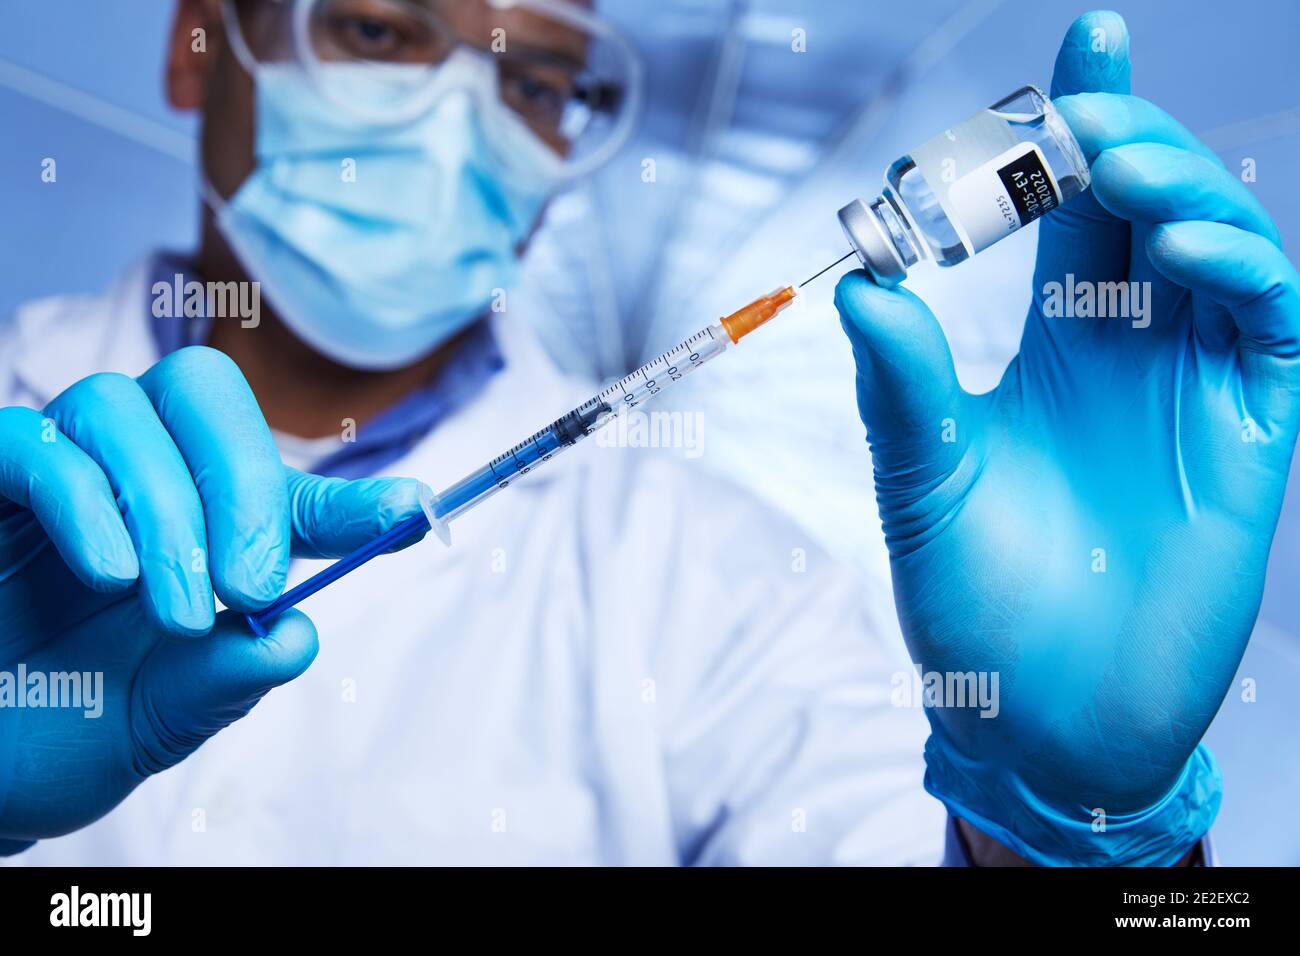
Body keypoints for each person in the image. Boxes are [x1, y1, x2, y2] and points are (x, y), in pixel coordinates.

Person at [0, 1, 1295, 866]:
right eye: (379, 28)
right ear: (198, 43)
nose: (459, 120)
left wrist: (1076, 825)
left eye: (536, 79)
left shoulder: (719, 586)